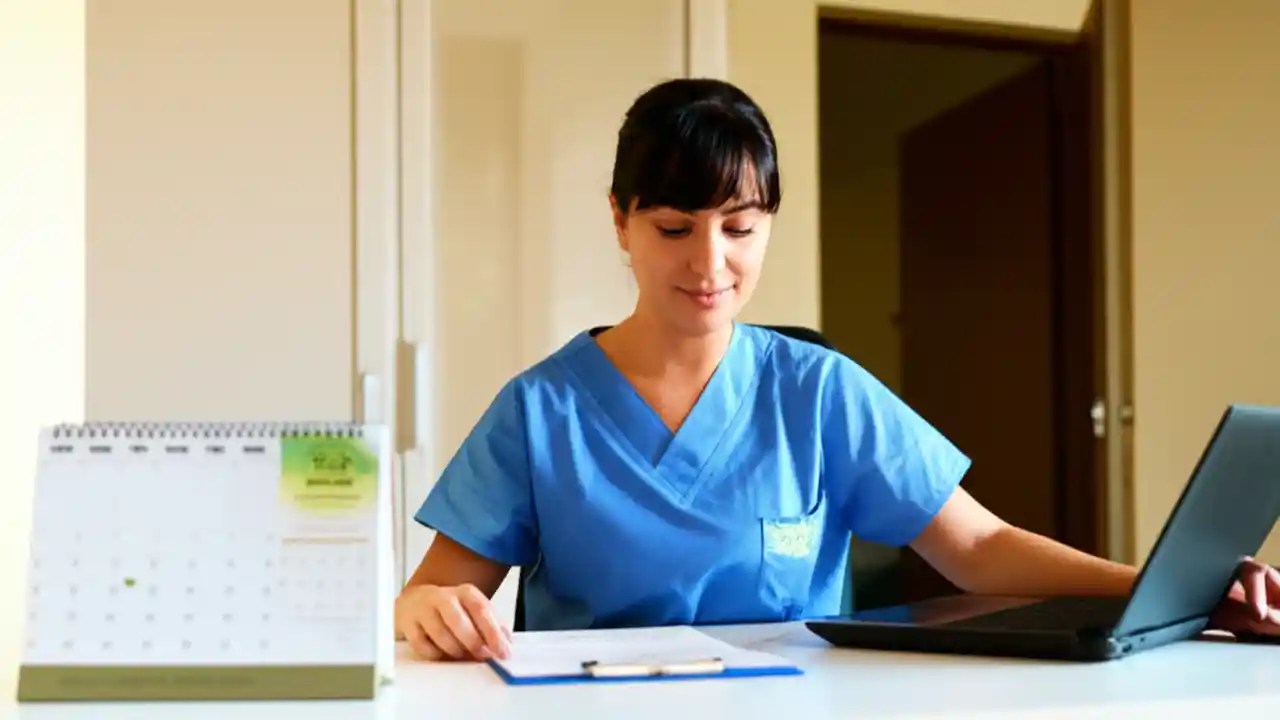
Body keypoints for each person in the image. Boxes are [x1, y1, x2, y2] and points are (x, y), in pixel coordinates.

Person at [394, 78, 1280, 662]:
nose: (710, 263)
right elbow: (428, 595)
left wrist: (1177, 591)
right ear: (621, 220)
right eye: (675, 228)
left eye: (741, 228)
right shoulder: (543, 411)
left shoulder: (817, 392)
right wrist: (430, 615)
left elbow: (977, 548)